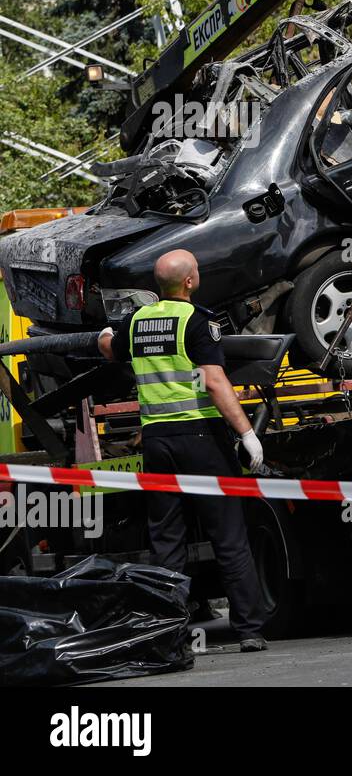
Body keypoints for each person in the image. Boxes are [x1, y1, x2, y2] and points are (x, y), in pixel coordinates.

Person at [99, 249, 270, 650]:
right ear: (190, 282)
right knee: (228, 535)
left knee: (167, 542)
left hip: (157, 441)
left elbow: (111, 349)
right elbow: (213, 380)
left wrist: (104, 336)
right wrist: (247, 432)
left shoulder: (137, 320)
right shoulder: (198, 321)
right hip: (202, 439)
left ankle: (167, 634)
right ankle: (249, 630)